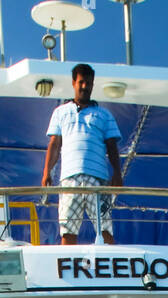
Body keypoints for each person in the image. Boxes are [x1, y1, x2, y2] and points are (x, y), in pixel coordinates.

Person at [42, 64, 123, 247]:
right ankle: (67, 267)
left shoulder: (104, 115)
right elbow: (54, 143)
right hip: (69, 179)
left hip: (98, 179)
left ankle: (111, 264)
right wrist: (47, 171)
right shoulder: (60, 112)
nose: (84, 86)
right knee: (68, 228)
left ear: (93, 84)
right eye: (81, 82)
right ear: (73, 83)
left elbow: (112, 146)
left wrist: (117, 173)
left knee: (105, 228)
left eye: (88, 82)